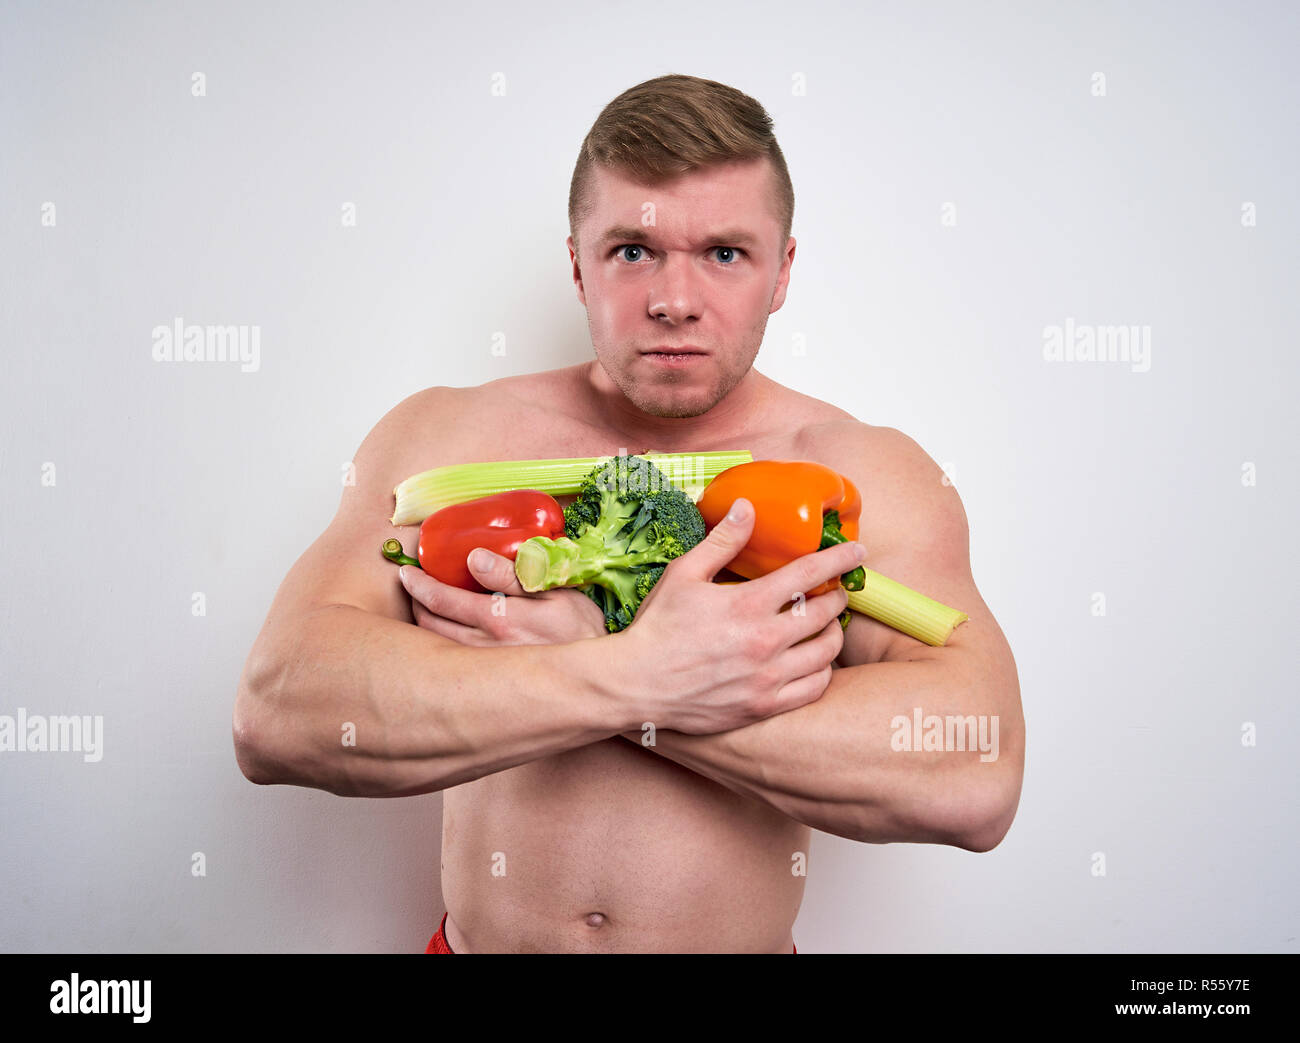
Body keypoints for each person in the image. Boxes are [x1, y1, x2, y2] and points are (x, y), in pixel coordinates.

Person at [232, 73, 1024, 954]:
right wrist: (638, 674)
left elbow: (977, 771)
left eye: (725, 253)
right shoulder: (446, 437)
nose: (674, 300)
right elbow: (280, 709)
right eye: (633, 251)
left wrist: (603, 666)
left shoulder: (857, 470)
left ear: (783, 272)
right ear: (577, 262)